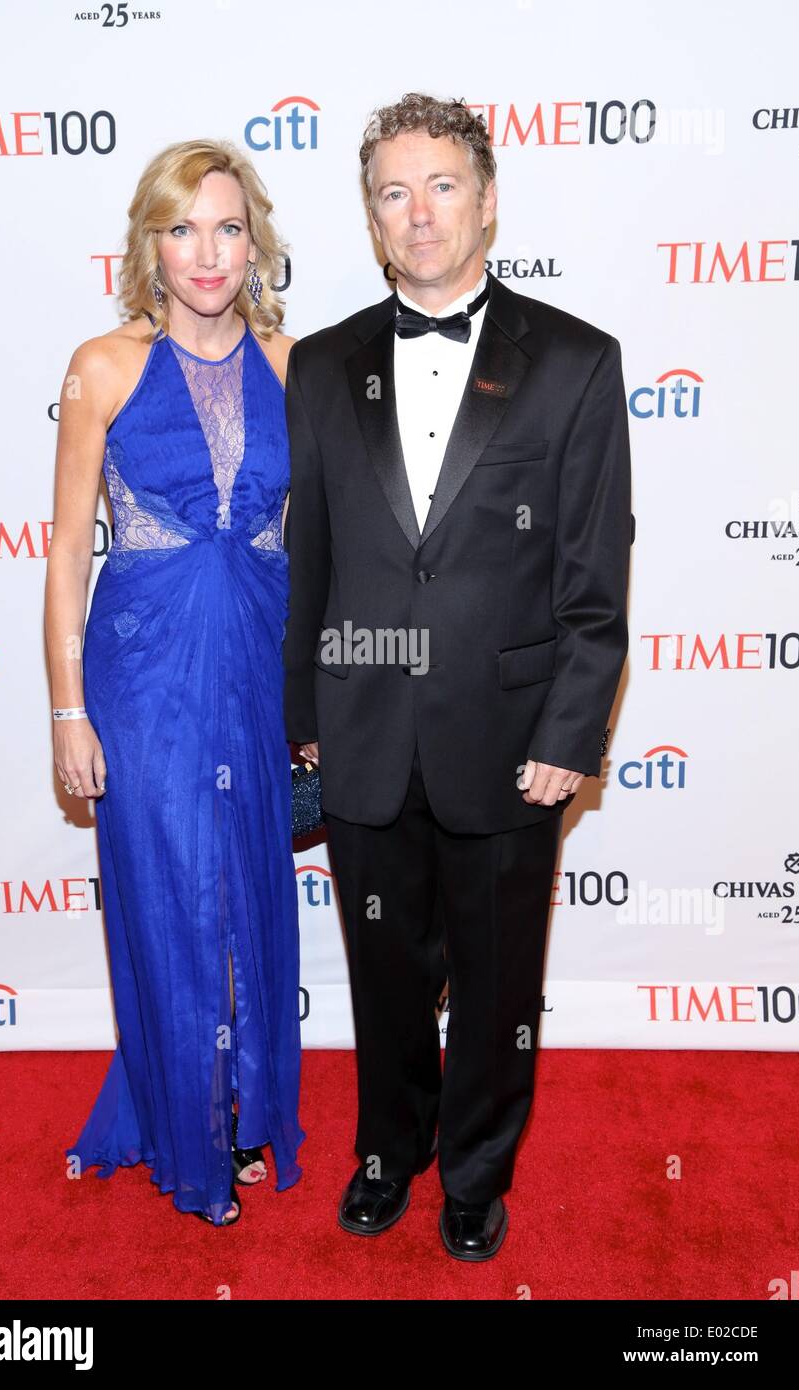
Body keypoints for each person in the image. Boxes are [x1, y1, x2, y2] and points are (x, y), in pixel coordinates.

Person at [282, 93, 631, 1260]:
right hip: (364, 725)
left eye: (440, 186)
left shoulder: (576, 361)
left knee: (495, 985)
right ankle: (391, 1149)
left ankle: (476, 1174)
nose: (417, 212)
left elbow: (593, 581)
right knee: (382, 973)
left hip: (508, 736)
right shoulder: (323, 365)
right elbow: (311, 564)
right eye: (392, 192)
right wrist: (305, 716)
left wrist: (567, 735)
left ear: (486, 201)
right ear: (371, 220)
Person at [46, 138, 304, 1227]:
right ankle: (183, 1123)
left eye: (228, 226)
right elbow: (65, 551)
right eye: (184, 227)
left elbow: (316, 538)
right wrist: (67, 709)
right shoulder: (102, 364)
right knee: (171, 892)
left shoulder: (295, 363)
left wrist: (322, 694)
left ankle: (242, 1110)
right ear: (151, 244)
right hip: (142, 674)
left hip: (253, 657)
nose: (208, 251)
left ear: (256, 242)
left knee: (246, 888)